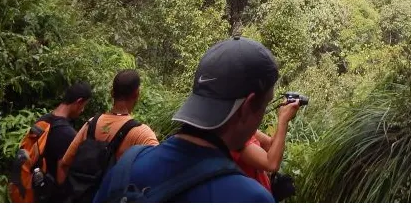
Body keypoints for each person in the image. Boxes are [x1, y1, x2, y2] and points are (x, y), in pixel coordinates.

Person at [95, 36, 301, 203]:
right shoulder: (250, 199)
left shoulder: (128, 165)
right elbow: (271, 162)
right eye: (265, 106)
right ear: (247, 107)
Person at [57, 70, 159, 201]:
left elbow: (65, 164)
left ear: (112, 93)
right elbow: (159, 173)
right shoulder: (141, 133)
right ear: (136, 94)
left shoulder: (91, 124)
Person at [8, 81, 91, 203]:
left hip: (35, 189)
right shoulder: (66, 134)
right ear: (78, 102)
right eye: (84, 105)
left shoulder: (44, 120)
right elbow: (62, 178)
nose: (82, 110)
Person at [229, 105, 300, 196]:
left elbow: (270, 145)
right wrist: (283, 121)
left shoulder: (244, 126)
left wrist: (283, 114)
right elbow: (271, 163)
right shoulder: (234, 136)